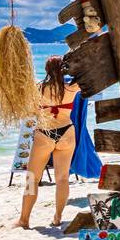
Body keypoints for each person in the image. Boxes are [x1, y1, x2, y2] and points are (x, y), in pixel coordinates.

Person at [16, 56, 80, 229]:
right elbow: (88, 75)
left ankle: (24, 220)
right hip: (67, 132)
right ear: (63, 70)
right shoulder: (72, 89)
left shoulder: (38, 89)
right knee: (62, 178)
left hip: (45, 134)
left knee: (32, 179)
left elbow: (28, 109)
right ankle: (58, 217)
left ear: (46, 70)